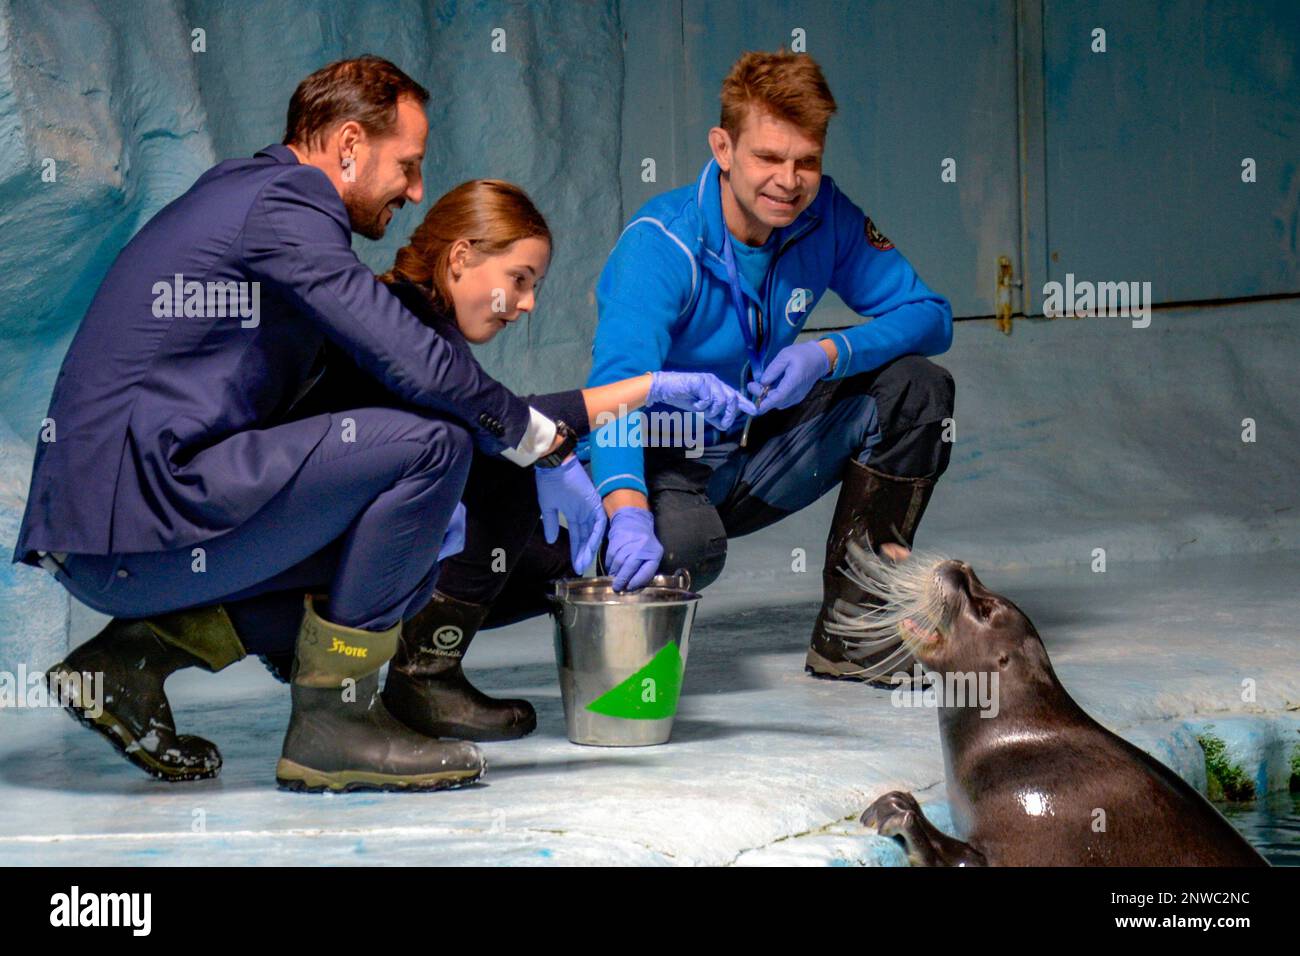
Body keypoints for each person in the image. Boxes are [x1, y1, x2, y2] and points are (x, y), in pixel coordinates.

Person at [13, 55, 746, 792]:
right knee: (433, 449)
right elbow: (412, 363)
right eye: (409, 164)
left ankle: (131, 663)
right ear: (350, 145)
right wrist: (542, 443)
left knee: (401, 514)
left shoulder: (248, 197)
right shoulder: (288, 202)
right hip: (138, 518)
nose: (419, 189)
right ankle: (339, 723)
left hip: (121, 526)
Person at [260, 178, 754, 743]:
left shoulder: (419, 318)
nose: (527, 305)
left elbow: (495, 416)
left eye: (534, 286)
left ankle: (410, 663)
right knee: (511, 474)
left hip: (332, 551)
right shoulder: (399, 322)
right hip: (297, 568)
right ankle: (421, 676)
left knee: (559, 562)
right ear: (461, 257)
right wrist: (647, 388)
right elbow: (501, 422)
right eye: (519, 280)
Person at [583, 50, 957, 686]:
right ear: (723, 147)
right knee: (683, 551)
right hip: (665, 460)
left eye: (806, 161)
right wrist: (627, 514)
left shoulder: (825, 216)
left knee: (917, 388)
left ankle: (853, 636)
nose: (789, 181)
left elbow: (931, 315)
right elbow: (612, 395)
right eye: (768, 158)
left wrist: (829, 353)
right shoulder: (661, 244)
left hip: (757, 447)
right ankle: (617, 576)